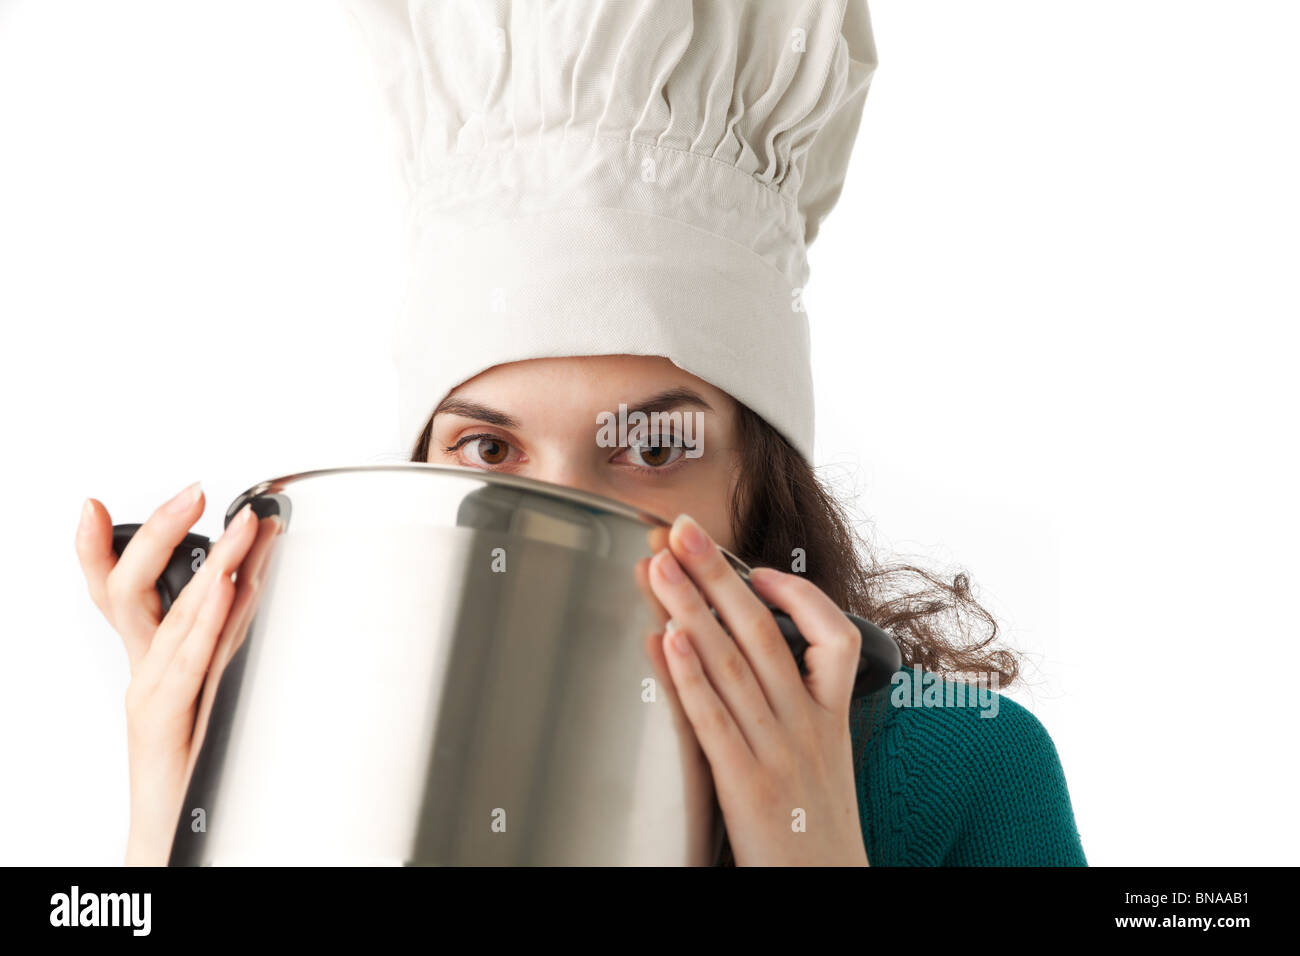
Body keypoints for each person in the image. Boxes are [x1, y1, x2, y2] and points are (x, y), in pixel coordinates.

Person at [75, 0, 1087, 866]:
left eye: (650, 449)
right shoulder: (314, 755)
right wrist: (174, 828)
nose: (554, 521)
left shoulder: (966, 767)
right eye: (488, 449)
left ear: (758, 480)